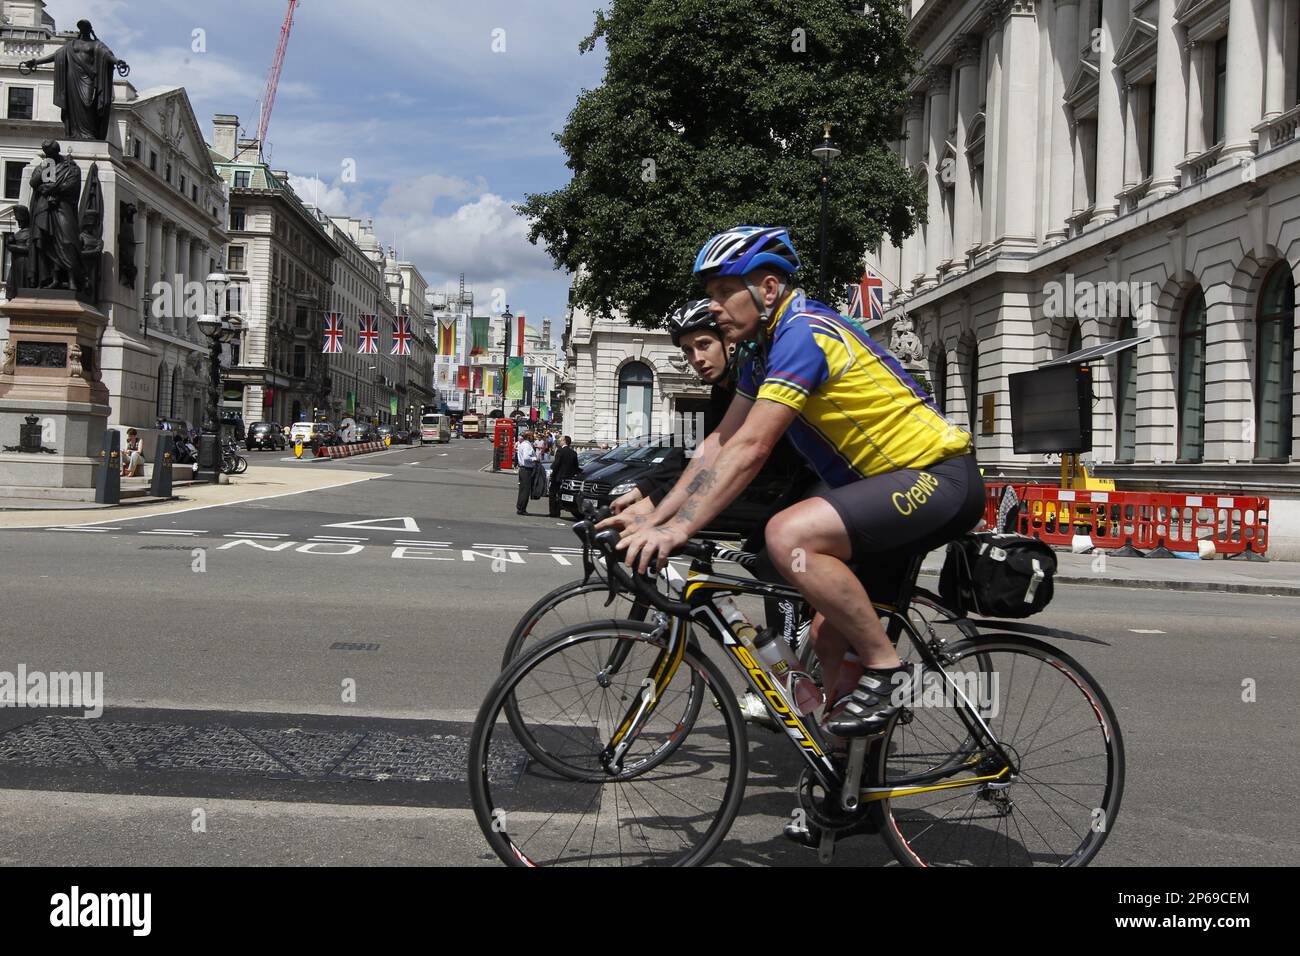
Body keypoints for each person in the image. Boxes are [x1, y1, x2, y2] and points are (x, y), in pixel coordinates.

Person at [615, 226, 983, 742]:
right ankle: (845, 788)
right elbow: (717, 444)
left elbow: (753, 448)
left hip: (936, 478)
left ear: (767, 289)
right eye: (710, 295)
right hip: (889, 489)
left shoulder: (802, 334)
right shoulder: (760, 352)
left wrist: (675, 534)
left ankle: (887, 667)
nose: (714, 307)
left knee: (788, 535)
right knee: (827, 639)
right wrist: (654, 518)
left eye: (724, 292)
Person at [549, 436, 580, 517]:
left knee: (553, 494)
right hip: (568, 477)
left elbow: (556, 464)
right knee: (561, 494)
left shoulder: (560, 451)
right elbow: (576, 466)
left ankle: (553, 512)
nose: (559, 441)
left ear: (564, 441)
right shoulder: (573, 453)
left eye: (561, 440)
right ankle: (559, 509)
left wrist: (552, 469)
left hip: (558, 477)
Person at [515, 429, 538, 516]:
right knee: (525, 491)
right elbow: (526, 457)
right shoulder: (527, 445)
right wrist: (535, 459)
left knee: (522, 490)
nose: (534, 437)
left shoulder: (523, 444)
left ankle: (520, 507)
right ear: (529, 437)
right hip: (526, 470)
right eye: (532, 436)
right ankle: (522, 509)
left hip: (523, 469)